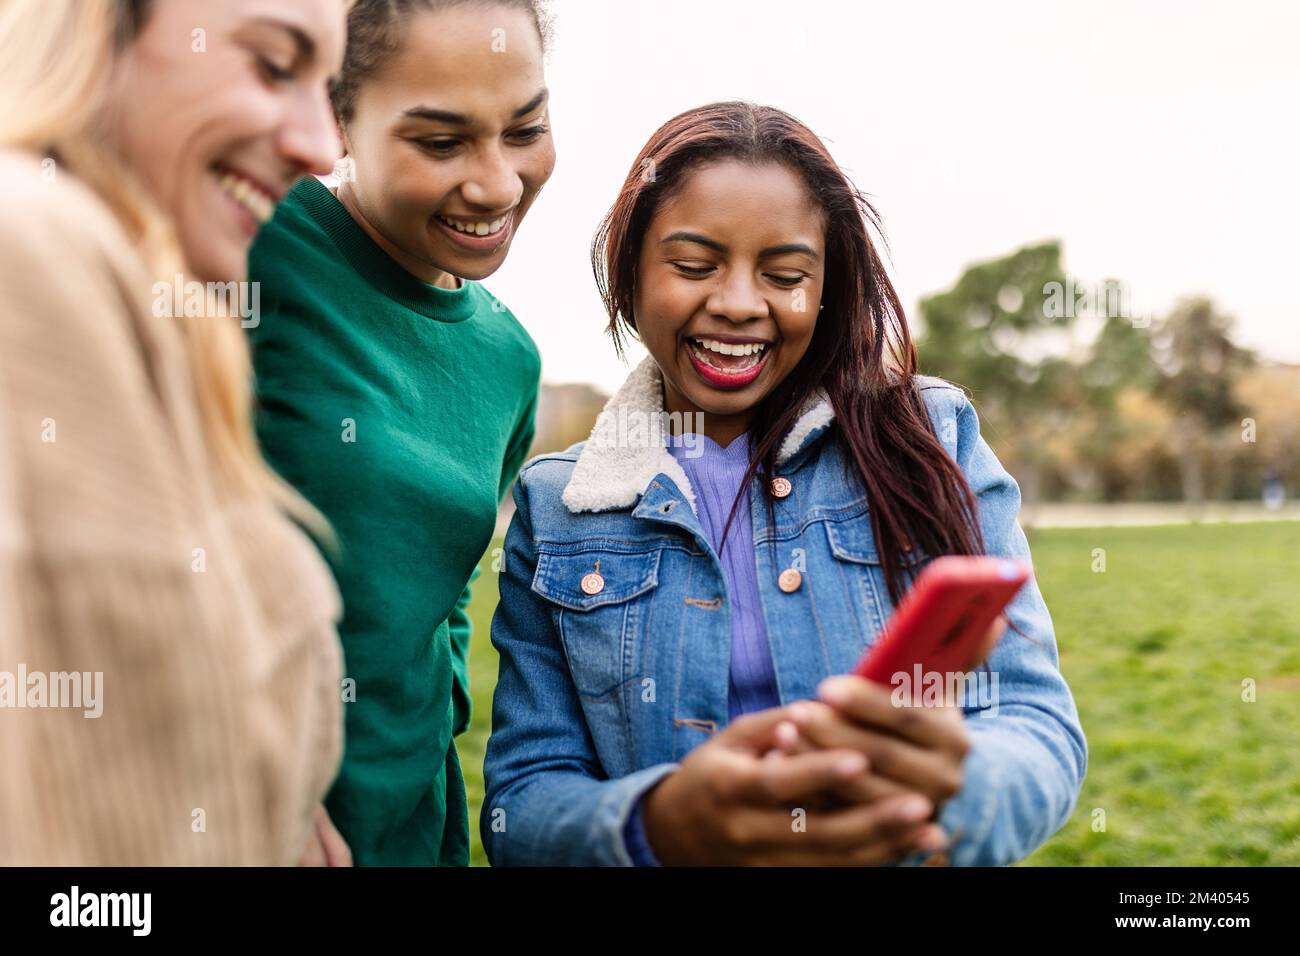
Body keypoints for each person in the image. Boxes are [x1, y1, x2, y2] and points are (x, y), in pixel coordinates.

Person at [482, 102, 1087, 866]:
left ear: (827, 286)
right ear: (631, 274)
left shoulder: (932, 437)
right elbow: (522, 802)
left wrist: (943, 796)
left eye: (785, 275)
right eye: (694, 265)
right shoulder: (558, 508)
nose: (738, 303)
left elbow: (1037, 724)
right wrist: (663, 823)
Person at [0, 0, 350, 864]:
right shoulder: (35, 247)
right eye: (273, 65)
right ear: (98, 27)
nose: (321, 145)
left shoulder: (157, 309)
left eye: (330, 90)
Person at [247, 0, 555, 865]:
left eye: (525, 127)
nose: (497, 183)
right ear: (335, 119)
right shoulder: (250, 248)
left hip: (408, 827)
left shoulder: (509, 357)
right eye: (441, 141)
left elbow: (446, 596)